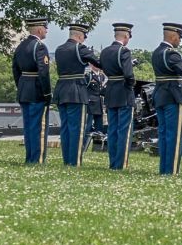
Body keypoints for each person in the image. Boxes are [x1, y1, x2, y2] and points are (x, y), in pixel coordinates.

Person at [151, 22, 182, 176]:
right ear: (173, 36)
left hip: (160, 96)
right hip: (173, 97)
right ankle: (172, 170)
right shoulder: (172, 54)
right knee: (174, 135)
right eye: (179, 37)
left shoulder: (156, 52)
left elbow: (173, 69)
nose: (180, 40)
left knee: (164, 133)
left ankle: (164, 169)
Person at [52, 23, 103, 167]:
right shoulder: (80, 48)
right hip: (76, 91)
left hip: (61, 90)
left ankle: (66, 159)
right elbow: (98, 63)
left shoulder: (59, 49)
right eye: (84, 37)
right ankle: (74, 161)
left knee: (66, 127)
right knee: (77, 128)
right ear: (80, 36)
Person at [11, 16, 52, 165]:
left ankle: (29, 158)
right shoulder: (40, 47)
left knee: (28, 127)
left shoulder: (21, 46)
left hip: (24, 89)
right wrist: (47, 93)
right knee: (38, 128)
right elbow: (44, 72)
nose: (47, 31)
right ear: (40, 29)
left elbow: (15, 70)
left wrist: (21, 86)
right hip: (36, 91)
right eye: (46, 28)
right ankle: (37, 159)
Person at [100, 22, 136, 171]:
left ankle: (113, 162)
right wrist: (131, 84)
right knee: (124, 130)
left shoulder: (105, 52)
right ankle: (121, 163)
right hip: (124, 92)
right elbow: (128, 74)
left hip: (110, 91)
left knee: (112, 129)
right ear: (126, 36)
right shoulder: (124, 52)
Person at [82, 66, 107, 153]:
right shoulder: (88, 75)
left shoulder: (101, 76)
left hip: (99, 103)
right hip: (91, 103)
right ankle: (83, 146)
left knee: (99, 127)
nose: (97, 67)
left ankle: (98, 147)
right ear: (91, 65)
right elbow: (84, 88)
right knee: (88, 127)